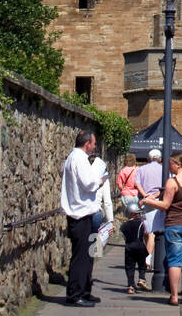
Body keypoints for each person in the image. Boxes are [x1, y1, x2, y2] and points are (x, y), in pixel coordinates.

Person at [140, 152, 182, 306]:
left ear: (177, 164)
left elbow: (166, 205)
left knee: (174, 261)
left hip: (175, 225)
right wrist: (156, 195)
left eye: (170, 164)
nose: (167, 166)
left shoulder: (172, 182)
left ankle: (174, 296)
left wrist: (148, 201)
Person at [60, 129, 109, 306]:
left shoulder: (75, 158)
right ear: (87, 143)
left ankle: (84, 290)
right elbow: (89, 183)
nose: (95, 147)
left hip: (84, 214)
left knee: (88, 255)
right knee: (81, 257)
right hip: (80, 214)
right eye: (94, 143)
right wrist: (101, 180)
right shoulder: (79, 159)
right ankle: (75, 294)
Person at [135, 148, 166, 265]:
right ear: (160, 159)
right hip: (159, 200)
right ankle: (147, 259)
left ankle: (146, 258)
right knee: (152, 231)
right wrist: (155, 195)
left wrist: (145, 195)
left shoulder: (142, 169)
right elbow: (166, 184)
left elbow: (137, 183)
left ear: (148, 158)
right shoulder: (164, 169)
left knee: (148, 231)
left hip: (145, 200)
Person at [120, 210, 149, 294]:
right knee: (142, 264)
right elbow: (146, 234)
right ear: (137, 214)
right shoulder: (141, 222)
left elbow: (124, 237)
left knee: (129, 267)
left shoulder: (123, 225)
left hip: (129, 247)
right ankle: (142, 278)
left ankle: (130, 286)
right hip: (140, 245)